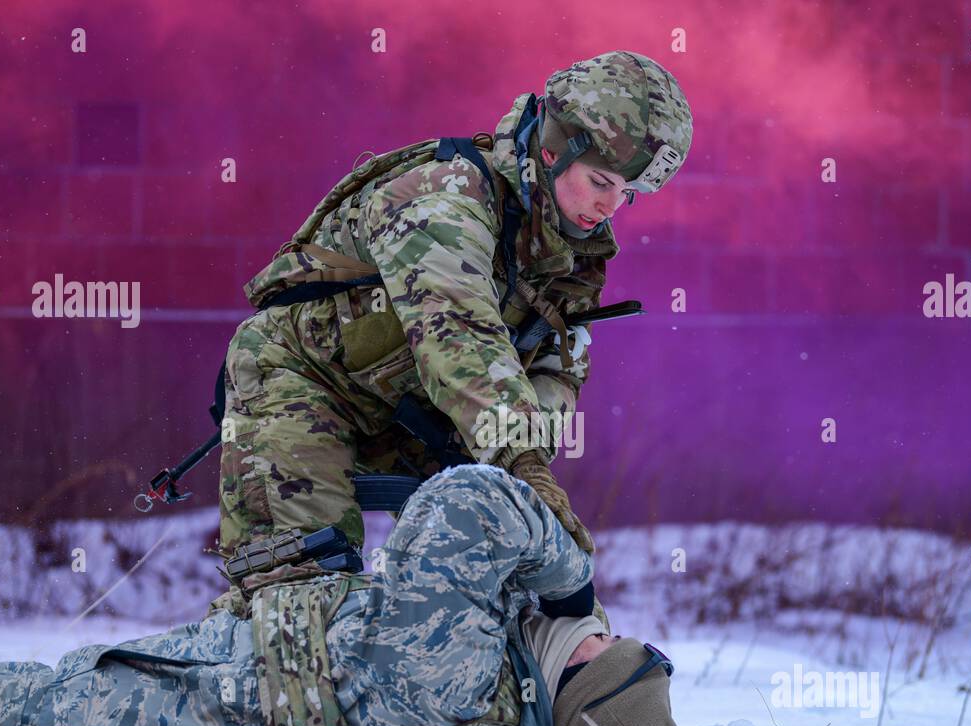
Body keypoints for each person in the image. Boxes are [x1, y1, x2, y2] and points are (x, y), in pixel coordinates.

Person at [216, 50, 694, 607]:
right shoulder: (446, 198)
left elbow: (557, 365)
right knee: (302, 605)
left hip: (427, 420)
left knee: (503, 594)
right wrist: (521, 463)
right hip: (303, 384)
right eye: (600, 181)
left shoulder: (572, 251)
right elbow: (458, 333)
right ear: (555, 148)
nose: (610, 206)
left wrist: (522, 478)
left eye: (626, 194)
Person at [0, 466, 678, 726]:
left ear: (578, 676)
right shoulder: (493, 705)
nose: (592, 626)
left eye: (599, 641)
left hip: (192, 703)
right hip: (217, 699)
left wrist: (571, 581)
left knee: (5, 718)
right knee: (18, 701)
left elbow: (468, 500)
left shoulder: (458, 666)